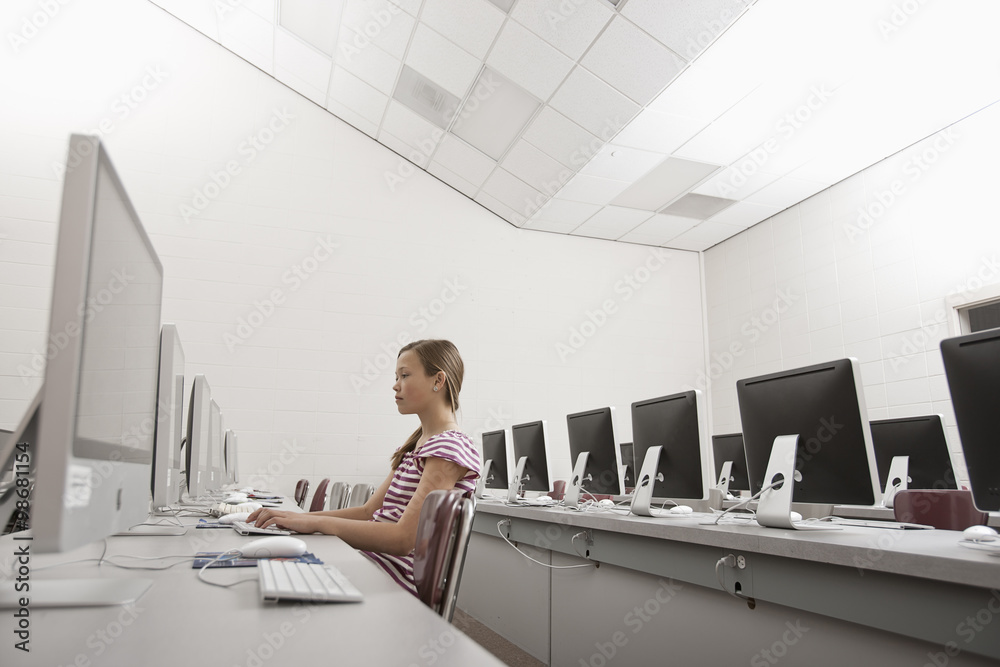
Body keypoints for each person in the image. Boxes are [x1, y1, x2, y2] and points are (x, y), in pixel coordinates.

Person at [247, 339, 481, 595]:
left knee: (265, 580)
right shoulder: (416, 445)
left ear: (438, 380)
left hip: (391, 579)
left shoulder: (449, 448)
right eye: (396, 376)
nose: (395, 385)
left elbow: (403, 539)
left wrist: (317, 524)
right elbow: (369, 510)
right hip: (371, 562)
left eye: (404, 375)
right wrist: (297, 519)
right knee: (265, 572)